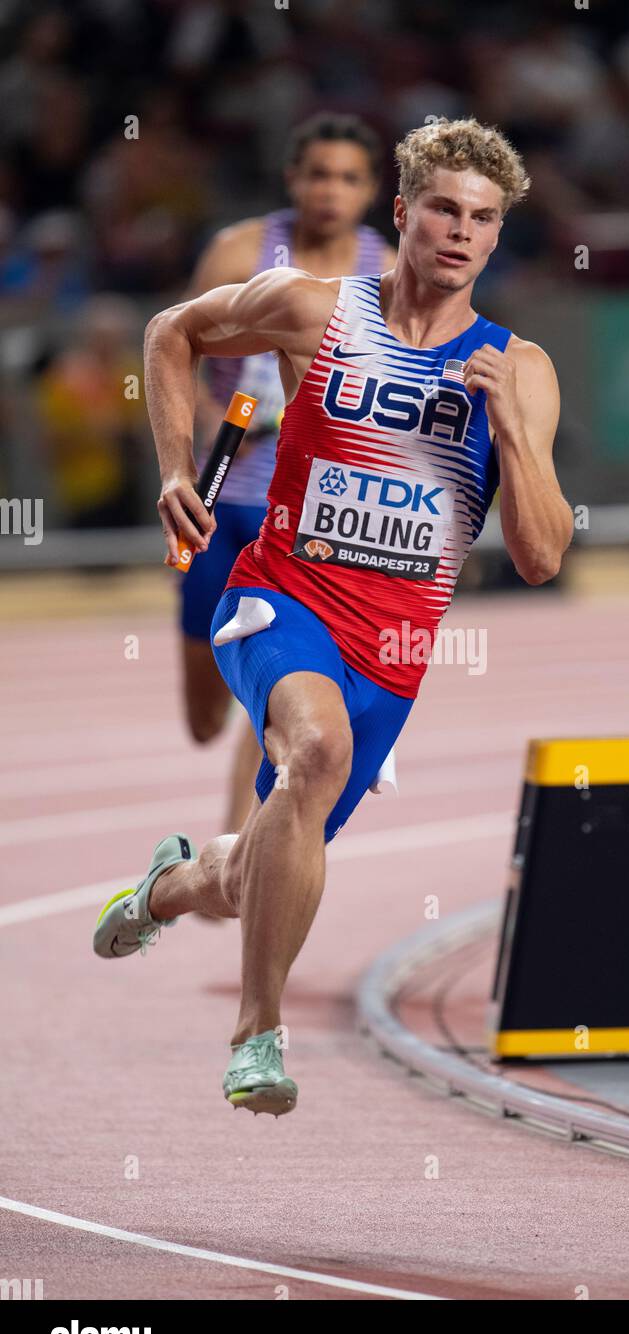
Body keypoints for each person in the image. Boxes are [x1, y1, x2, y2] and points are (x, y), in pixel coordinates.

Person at [94, 117, 574, 1121]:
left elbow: (539, 557)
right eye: (442, 207)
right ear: (400, 213)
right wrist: (178, 467)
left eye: (481, 219)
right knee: (313, 755)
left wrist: (514, 442)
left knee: (258, 863)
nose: (459, 231)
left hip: (393, 652)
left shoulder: (517, 368)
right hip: (280, 598)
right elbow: (169, 333)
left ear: (494, 240)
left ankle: (171, 886)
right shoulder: (313, 309)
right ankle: (255, 1033)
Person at [180, 112, 396, 833]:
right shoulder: (241, 250)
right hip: (228, 493)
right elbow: (182, 352)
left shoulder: (385, 267)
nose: (330, 191)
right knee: (204, 716)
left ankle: (243, 838)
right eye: (318, 175)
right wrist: (200, 448)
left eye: (348, 178)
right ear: (292, 180)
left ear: (370, 192)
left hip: (315, 509)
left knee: (286, 670)